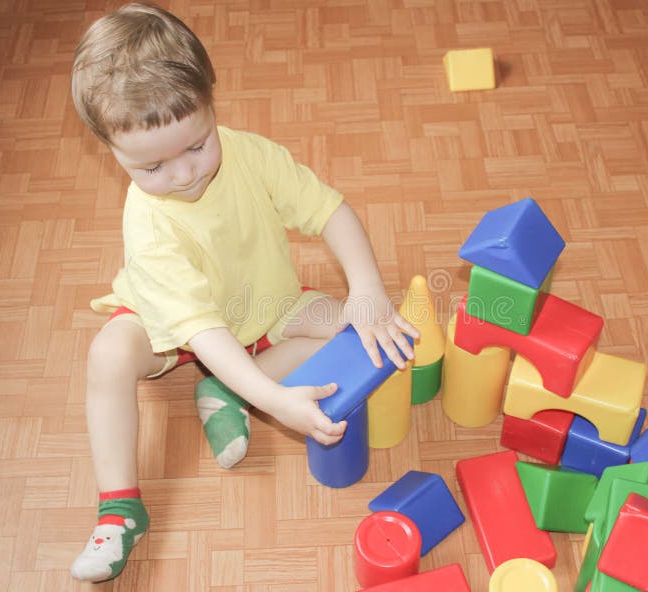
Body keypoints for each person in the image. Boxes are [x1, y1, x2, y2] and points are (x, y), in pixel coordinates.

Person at [68, 3, 418, 582]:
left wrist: (367, 288)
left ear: (212, 102)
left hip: (267, 306)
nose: (183, 175)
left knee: (363, 330)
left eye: (197, 146)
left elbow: (328, 209)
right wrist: (279, 403)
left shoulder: (250, 154)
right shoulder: (150, 227)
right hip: (173, 329)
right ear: (111, 153)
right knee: (107, 355)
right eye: (151, 167)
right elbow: (201, 330)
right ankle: (119, 507)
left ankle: (230, 394)